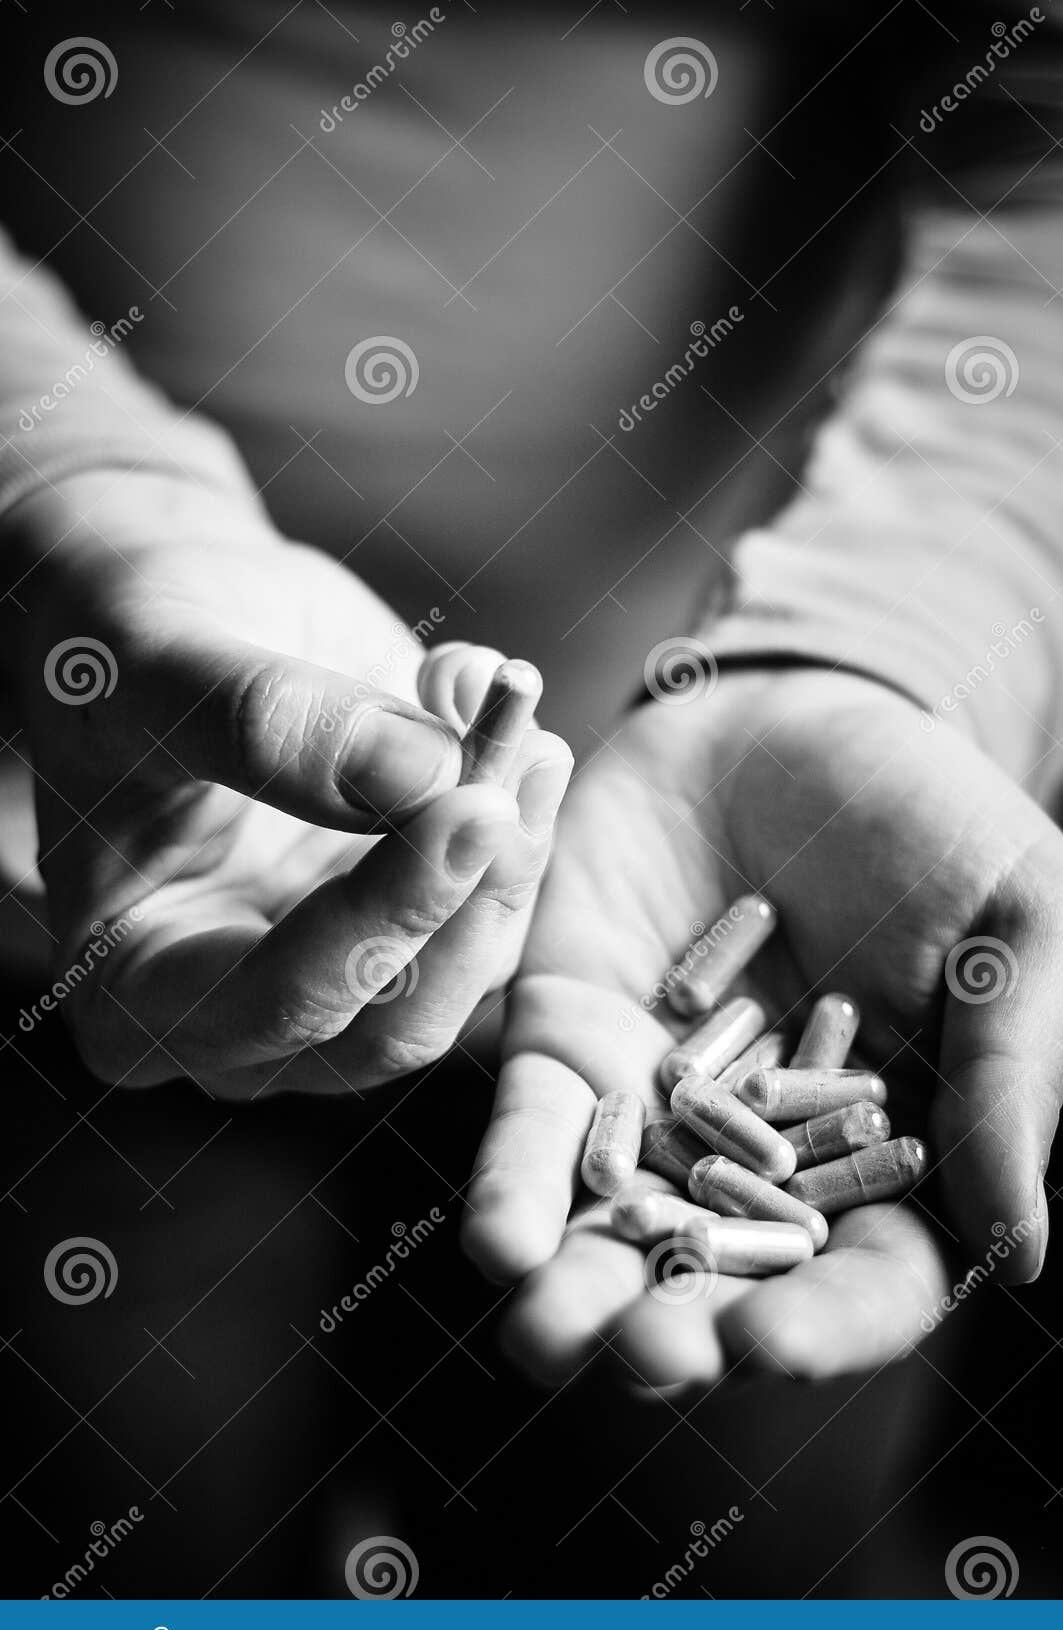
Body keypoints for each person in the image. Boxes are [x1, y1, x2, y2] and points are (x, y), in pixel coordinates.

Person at [1, 0, 1061, 1412]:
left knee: (707, 1577)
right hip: (88, 845)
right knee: (134, 1537)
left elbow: (1043, 135)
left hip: (722, 866)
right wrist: (72, 494)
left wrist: (872, 651)